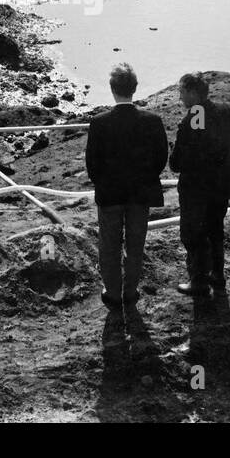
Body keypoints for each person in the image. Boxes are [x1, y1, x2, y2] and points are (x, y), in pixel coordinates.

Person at [86, 63, 168, 310]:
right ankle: (130, 291)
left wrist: (102, 182)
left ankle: (112, 293)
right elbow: (161, 157)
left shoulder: (99, 123)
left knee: (109, 245)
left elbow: (92, 162)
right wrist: (147, 177)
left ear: (112, 89)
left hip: (110, 193)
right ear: (135, 88)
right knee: (135, 244)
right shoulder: (152, 120)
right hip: (140, 193)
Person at [169, 72, 230, 299]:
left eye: (181, 93)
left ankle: (198, 281)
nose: (180, 98)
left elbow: (177, 163)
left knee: (193, 233)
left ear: (192, 93)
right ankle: (218, 276)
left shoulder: (192, 118)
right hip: (221, 183)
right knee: (215, 229)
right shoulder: (227, 110)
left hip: (196, 189)